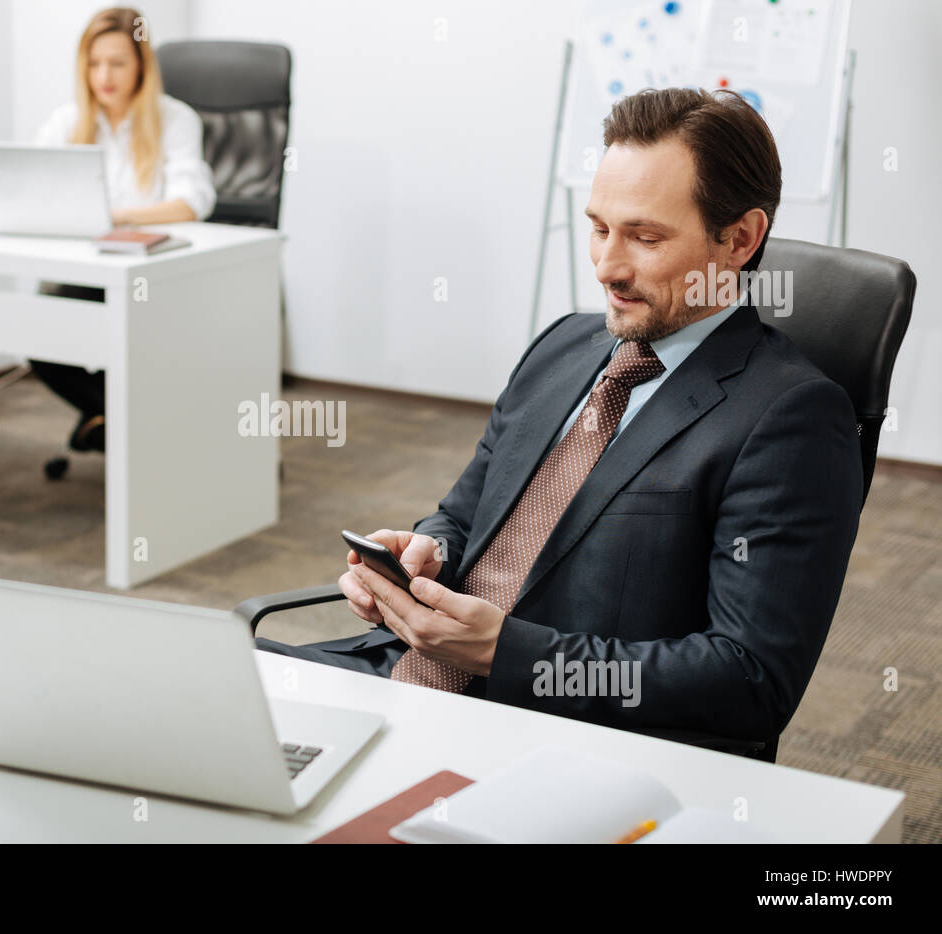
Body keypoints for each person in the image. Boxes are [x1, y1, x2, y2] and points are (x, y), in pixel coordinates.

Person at [257, 87, 864, 758]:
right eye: (599, 227)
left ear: (741, 238)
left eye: (646, 236)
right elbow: (461, 515)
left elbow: (750, 680)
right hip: (396, 675)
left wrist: (510, 653)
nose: (607, 266)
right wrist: (427, 555)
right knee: (191, 704)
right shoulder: (564, 347)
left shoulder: (791, 419)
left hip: (550, 734)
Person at [29, 7, 215, 457]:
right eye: (94, 64)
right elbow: (32, 188)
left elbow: (193, 202)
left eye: (117, 62)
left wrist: (117, 216)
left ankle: (110, 423)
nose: (104, 75)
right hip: (89, 272)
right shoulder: (67, 122)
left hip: (154, 278)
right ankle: (121, 423)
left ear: (141, 66)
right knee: (38, 334)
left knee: (132, 343)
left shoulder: (175, 120)